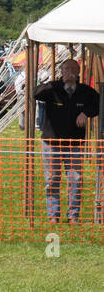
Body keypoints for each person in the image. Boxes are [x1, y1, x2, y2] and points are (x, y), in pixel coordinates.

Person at [34, 58, 99, 224]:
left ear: (78, 73)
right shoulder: (53, 89)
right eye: (66, 68)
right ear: (61, 71)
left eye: (72, 69)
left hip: (75, 143)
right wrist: (56, 83)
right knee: (52, 178)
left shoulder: (86, 91)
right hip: (51, 143)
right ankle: (53, 215)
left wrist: (86, 113)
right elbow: (36, 93)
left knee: (75, 179)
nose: (69, 71)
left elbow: (99, 104)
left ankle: (73, 216)